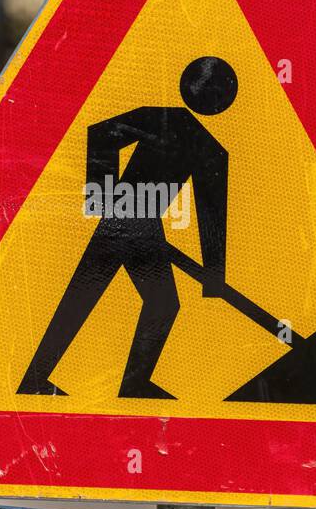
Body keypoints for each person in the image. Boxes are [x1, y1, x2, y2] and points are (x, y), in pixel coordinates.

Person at [18, 56, 237, 399]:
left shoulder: (203, 144)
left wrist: (214, 275)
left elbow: (212, 214)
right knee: (152, 304)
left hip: (136, 222)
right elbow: (102, 134)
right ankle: (131, 384)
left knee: (85, 297)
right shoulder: (184, 131)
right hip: (133, 222)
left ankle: (36, 379)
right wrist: (103, 200)